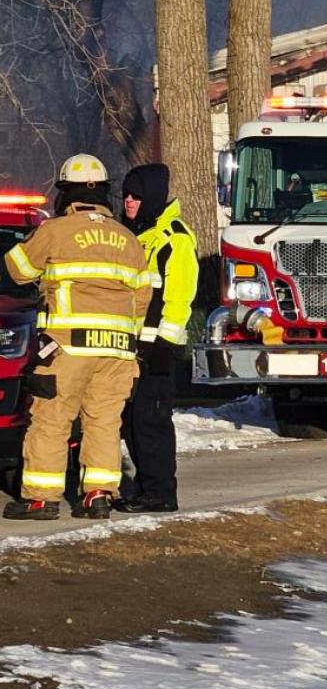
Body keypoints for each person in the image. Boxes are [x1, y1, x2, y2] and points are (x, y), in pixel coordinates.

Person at [2, 155, 153, 519]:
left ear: (66, 195)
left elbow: (17, 270)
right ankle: (97, 495)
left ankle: (41, 499)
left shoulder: (56, 230)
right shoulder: (128, 239)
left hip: (69, 347)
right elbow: (143, 296)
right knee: (103, 423)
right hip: (118, 352)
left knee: (51, 420)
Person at [115, 164, 197, 514]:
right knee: (131, 422)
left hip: (157, 352)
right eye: (126, 195)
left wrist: (164, 345)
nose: (129, 201)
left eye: (136, 195)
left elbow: (179, 298)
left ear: (151, 197)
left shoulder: (174, 239)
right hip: (130, 351)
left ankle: (161, 492)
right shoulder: (135, 235)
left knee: (151, 422)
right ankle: (143, 488)